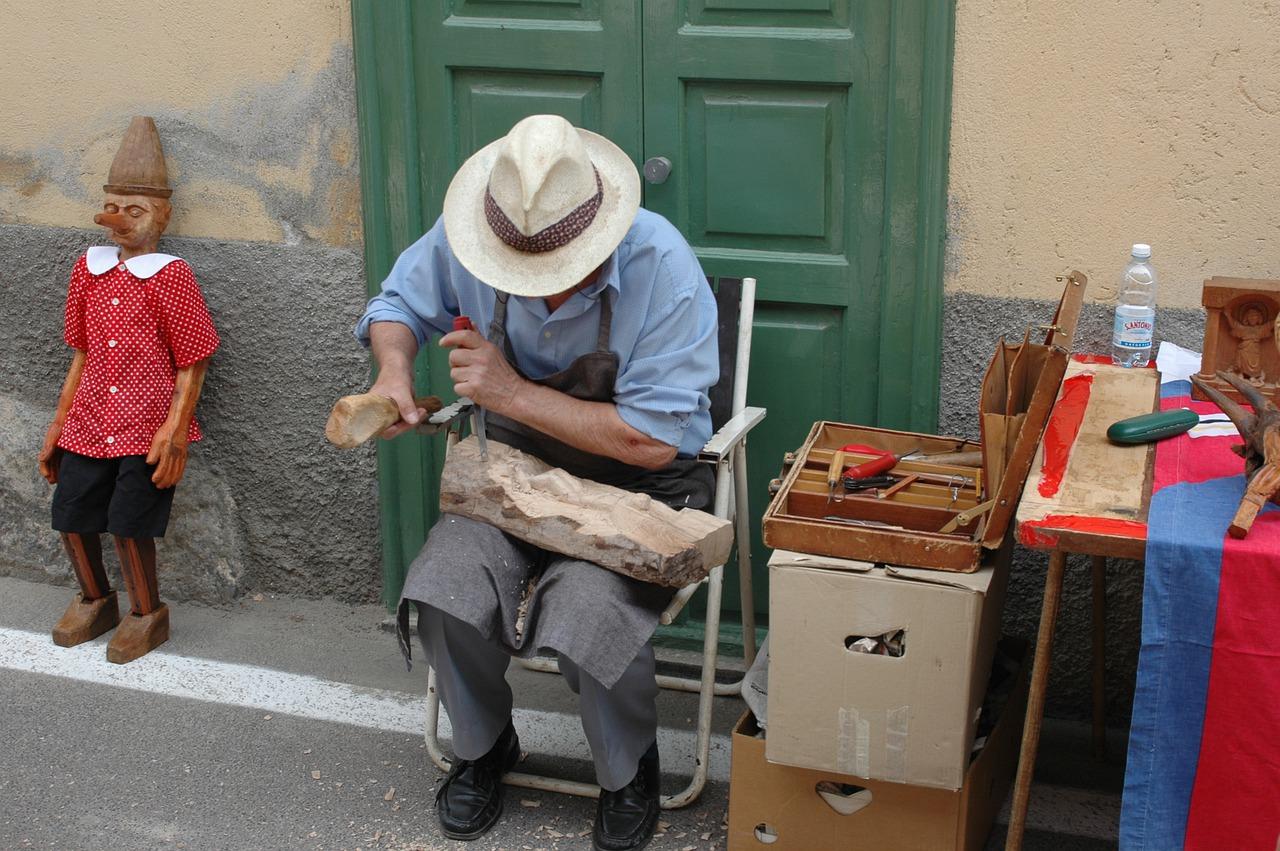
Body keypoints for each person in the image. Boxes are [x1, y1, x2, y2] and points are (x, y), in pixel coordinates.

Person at [354, 114, 718, 850]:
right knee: (447, 587)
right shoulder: (472, 233)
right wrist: (394, 370)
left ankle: (627, 771)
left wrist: (510, 392)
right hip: (511, 474)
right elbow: (396, 306)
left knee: (589, 609)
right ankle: (485, 747)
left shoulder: (664, 268)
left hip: (636, 487)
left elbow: (651, 440)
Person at [38, 117, 219, 664]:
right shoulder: (88, 270)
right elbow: (82, 353)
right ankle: (95, 599)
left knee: (128, 526)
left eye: (135, 210)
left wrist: (174, 431)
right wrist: (57, 425)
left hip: (144, 427)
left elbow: (193, 360)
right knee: (71, 514)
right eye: (114, 206)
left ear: (161, 216)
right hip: (88, 422)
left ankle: (146, 612)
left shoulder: (171, 277)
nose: (119, 220)